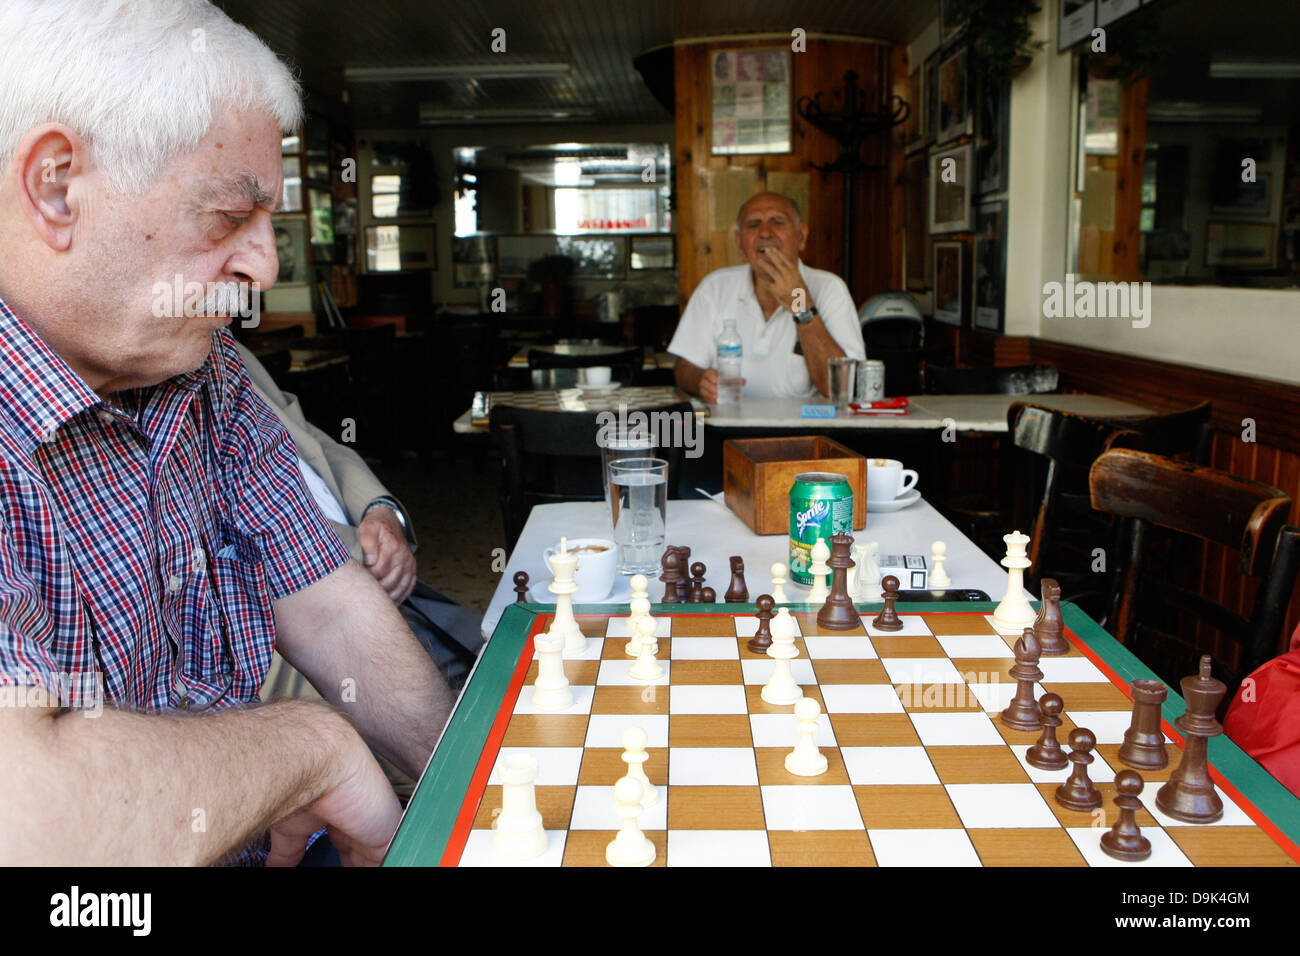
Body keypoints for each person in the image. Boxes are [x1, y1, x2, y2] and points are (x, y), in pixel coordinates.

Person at [0, 0, 449, 866]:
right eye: (227, 218)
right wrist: (309, 749)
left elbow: (325, 600)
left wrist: (487, 801)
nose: (266, 266)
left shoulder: (200, 372)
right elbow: (28, 825)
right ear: (57, 185)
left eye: (268, 222)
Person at [234, 341, 482, 693]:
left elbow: (313, 440)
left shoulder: (228, 351)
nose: (265, 282)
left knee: (518, 663)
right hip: (312, 661)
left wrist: (380, 510)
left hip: (396, 602)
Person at [669, 192, 866, 403]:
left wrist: (799, 302)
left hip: (806, 431)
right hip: (725, 429)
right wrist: (702, 381)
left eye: (777, 222)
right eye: (753, 224)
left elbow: (842, 388)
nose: (765, 233)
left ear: (802, 236)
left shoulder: (829, 289)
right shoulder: (715, 288)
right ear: (739, 242)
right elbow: (684, 369)